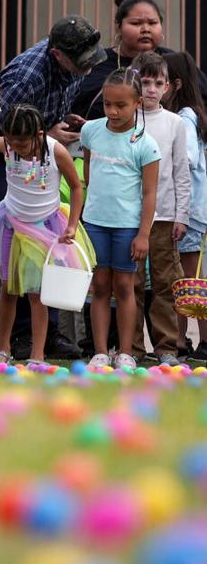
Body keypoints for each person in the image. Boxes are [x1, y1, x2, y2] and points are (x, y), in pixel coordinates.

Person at [0, 104, 84, 367]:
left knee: (36, 293)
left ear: (39, 134)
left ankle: (38, 353)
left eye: (23, 144)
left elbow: (76, 188)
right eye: (12, 143)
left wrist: (72, 225)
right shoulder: (8, 146)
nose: (17, 148)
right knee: (8, 289)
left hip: (44, 229)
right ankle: (3, 348)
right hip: (12, 224)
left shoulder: (55, 151)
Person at [80, 68, 160, 370]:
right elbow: (88, 169)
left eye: (121, 105)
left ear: (137, 102)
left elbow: (150, 193)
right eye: (107, 104)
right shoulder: (91, 131)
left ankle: (126, 351)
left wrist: (143, 234)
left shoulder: (145, 144)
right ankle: (101, 352)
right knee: (99, 286)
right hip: (95, 223)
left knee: (125, 287)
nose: (112, 111)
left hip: (127, 226)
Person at [131, 52, 194, 367]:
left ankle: (167, 346)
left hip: (166, 216)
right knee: (130, 284)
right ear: (135, 82)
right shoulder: (128, 119)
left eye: (159, 83)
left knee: (164, 284)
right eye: (146, 82)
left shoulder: (176, 123)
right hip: (130, 216)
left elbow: (182, 172)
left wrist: (182, 216)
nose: (152, 89)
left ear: (169, 87)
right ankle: (132, 348)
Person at [72, 0, 207, 122]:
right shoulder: (96, 62)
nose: (146, 29)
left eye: (153, 23)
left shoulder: (176, 63)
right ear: (119, 27)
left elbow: (200, 101)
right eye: (136, 23)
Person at [165, 53, 207, 358]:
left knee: (187, 280)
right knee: (192, 279)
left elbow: (187, 159)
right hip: (195, 210)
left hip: (188, 211)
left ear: (175, 84)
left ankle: (183, 341)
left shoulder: (184, 119)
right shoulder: (195, 115)